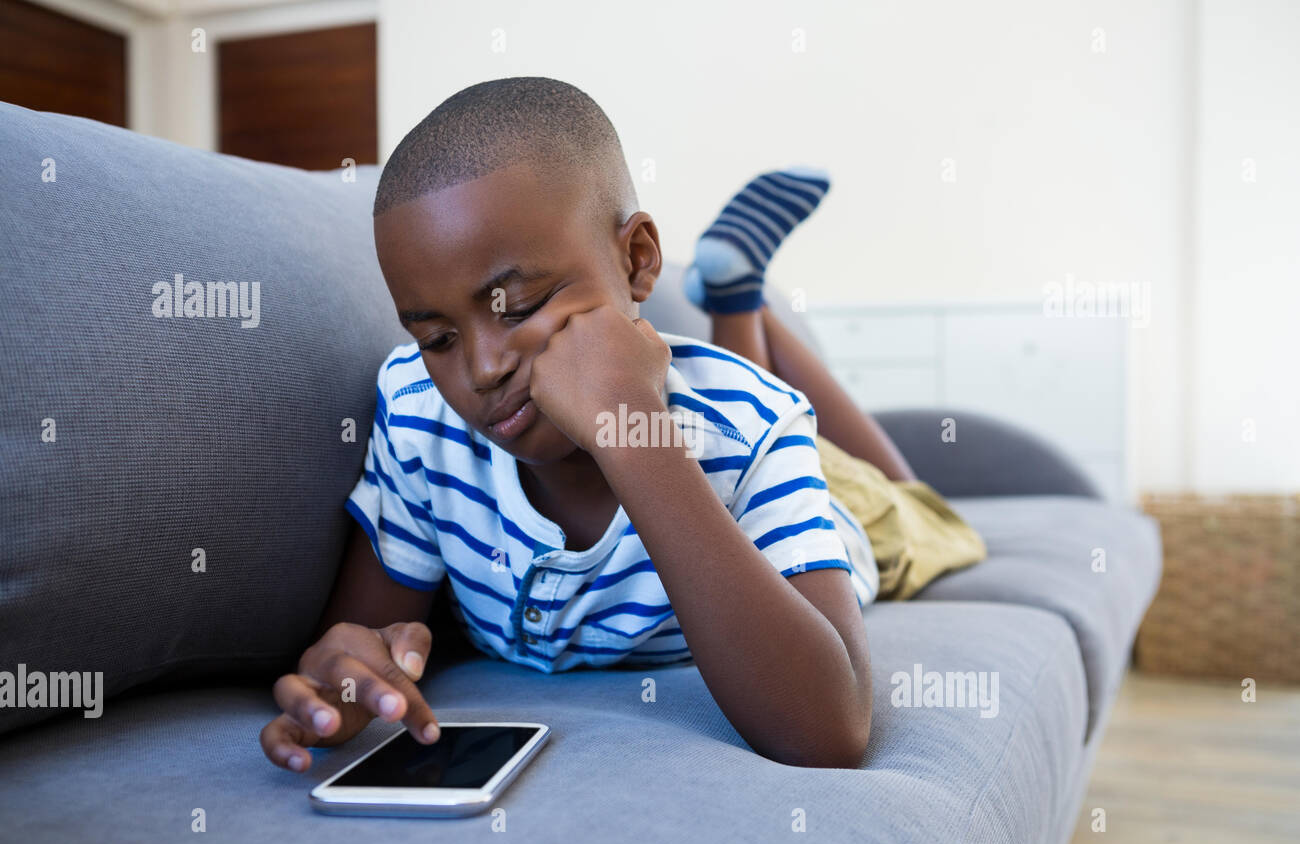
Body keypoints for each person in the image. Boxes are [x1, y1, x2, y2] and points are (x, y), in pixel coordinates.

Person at [259, 76, 980, 773]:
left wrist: (630, 435)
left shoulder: (752, 427)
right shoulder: (422, 419)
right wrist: (350, 677)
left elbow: (829, 732)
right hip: (707, 417)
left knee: (906, 497)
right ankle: (739, 296)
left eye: (520, 305)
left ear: (637, 260)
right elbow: (367, 639)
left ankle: (741, 303)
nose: (481, 368)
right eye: (439, 339)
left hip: (832, 515)